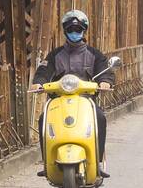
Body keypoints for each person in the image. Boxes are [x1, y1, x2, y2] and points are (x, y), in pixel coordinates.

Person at [31, 10, 112, 178]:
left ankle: (97, 162)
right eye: (70, 30)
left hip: (85, 99)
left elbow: (104, 70)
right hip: (59, 99)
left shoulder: (94, 54)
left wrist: (105, 81)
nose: (74, 33)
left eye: (78, 30)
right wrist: (38, 82)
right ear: (65, 31)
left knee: (100, 118)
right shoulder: (55, 55)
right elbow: (44, 70)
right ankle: (47, 161)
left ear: (84, 31)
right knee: (43, 119)